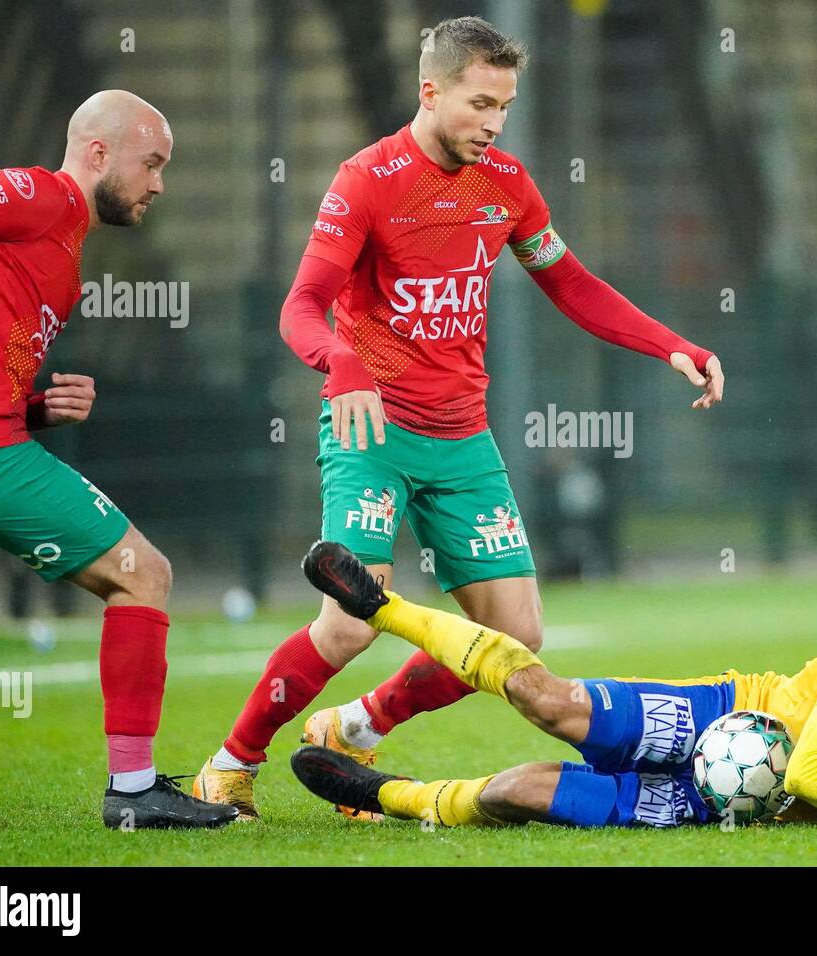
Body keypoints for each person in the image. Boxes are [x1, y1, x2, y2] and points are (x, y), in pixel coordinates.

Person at [196, 15, 724, 819]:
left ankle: (354, 728)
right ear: (430, 91)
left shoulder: (506, 183)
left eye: (505, 107)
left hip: (462, 439)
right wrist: (341, 364)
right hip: (371, 434)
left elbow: (571, 283)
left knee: (517, 638)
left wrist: (669, 344)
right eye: (481, 104)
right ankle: (229, 765)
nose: (495, 124)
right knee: (348, 628)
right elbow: (301, 304)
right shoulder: (366, 180)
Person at [0, 90, 237, 829]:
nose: (159, 183)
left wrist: (35, 406)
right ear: (99, 153)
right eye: (152, 163)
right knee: (144, 575)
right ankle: (133, 791)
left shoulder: (64, 255)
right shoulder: (39, 194)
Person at [293, 541, 817, 831]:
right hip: (737, 719)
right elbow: (814, 770)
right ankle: (383, 606)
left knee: (519, 794)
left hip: (741, 803)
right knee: (551, 703)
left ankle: (384, 794)